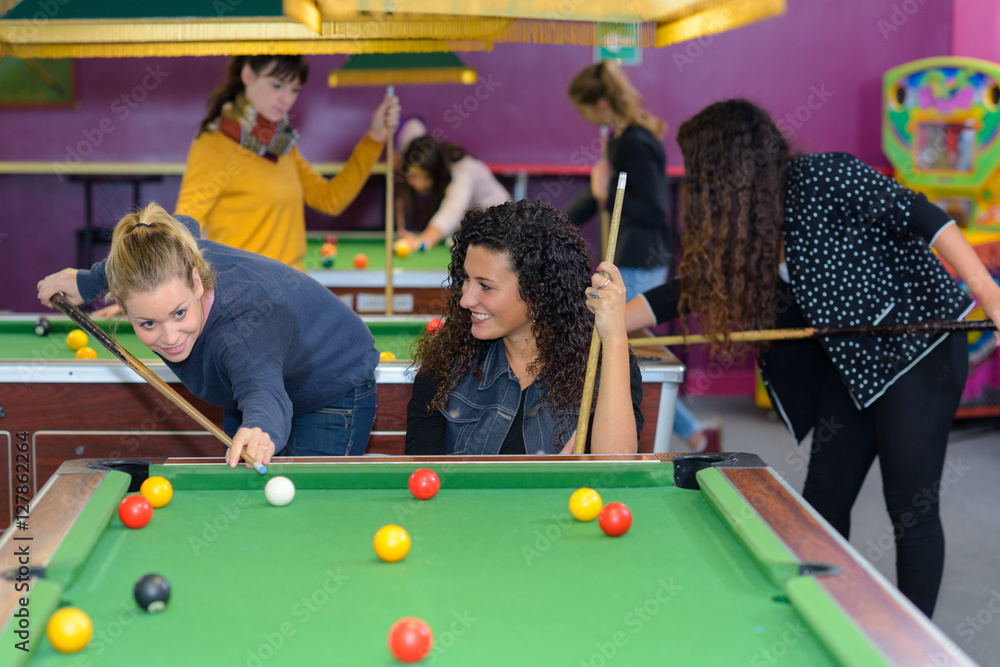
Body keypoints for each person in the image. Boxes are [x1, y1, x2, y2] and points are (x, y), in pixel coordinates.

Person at [626, 99, 1000, 618]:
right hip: (854, 363)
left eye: (701, 170)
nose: (696, 185)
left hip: (920, 345)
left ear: (727, 168)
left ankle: (913, 646)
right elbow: (688, 291)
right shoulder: (751, 228)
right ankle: (827, 615)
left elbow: (923, 214)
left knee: (909, 506)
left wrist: (990, 293)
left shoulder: (825, 176)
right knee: (823, 500)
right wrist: (605, 320)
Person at [37, 203, 380, 468]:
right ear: (123, 311)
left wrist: (261, 426)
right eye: (147, 324)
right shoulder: (177, 249)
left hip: (330, 382)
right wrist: (90, 280)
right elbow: (179, 225)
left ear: (197, 282)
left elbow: (261, 390)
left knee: (305, 516)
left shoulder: (243, 330)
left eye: (179, 313)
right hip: (248, 383)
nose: (170, 337)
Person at [405, 199, 643, 455]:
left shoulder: (603, 363)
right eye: (466, 279)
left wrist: (616, 334)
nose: (465, 299)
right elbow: (424, 475)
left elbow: (617, 469)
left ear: (538, 293)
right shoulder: (445, 365)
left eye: (486, 286)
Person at [175, 55, 400, 271]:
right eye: (277, 86)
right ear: (247, 75)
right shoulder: (212, 146)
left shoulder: (282, 146)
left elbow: (331, 199)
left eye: (294, 89)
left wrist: (375, 137)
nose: (286, 99)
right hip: (246, 292)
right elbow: (183, 230)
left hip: (295, 284)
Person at [394, 119, 512, 253]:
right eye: (413, 176)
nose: (419, 185)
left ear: (437, 172)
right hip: (476, 230)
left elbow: (451, 212)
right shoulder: (414, 154)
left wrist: (423, 240)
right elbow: (413, 127)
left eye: (426, 177)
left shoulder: (463, 170)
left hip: (502, 228)